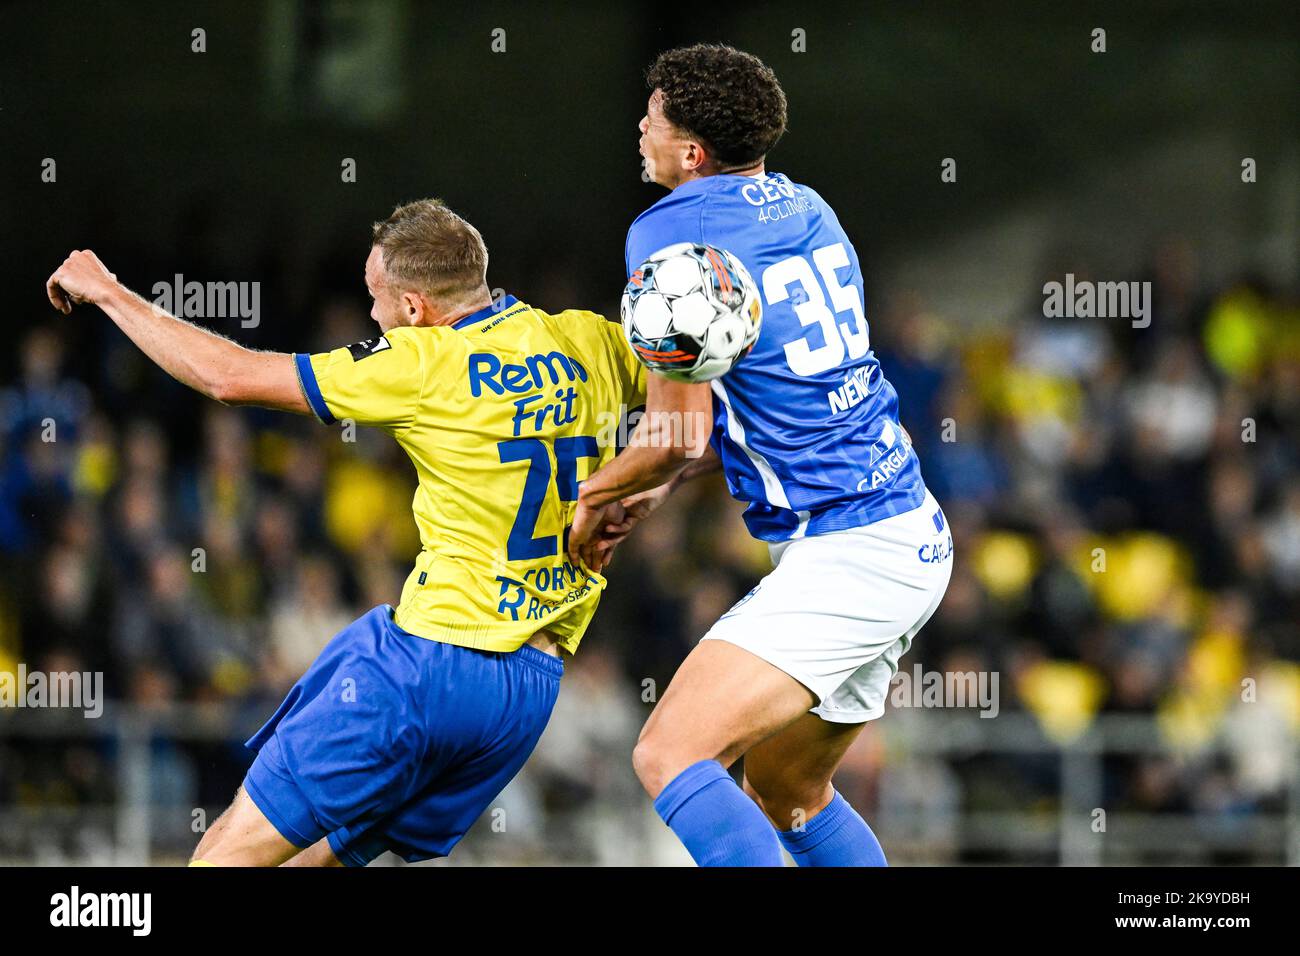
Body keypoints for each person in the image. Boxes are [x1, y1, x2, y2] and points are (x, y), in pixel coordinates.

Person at [47, 198, 646, 866]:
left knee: (224, 854)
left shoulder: (423, 361)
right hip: (527, 693)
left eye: (377, 299)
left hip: (433, 666)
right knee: (311, 862)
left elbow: (229, 377)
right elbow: (705, 395)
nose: (371, 317)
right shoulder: (589, 339)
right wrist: (645, 480)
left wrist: (109, 293)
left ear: (417, 308)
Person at [569, 44, 953, 866]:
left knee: (669, 753)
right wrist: (659, 486)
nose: (640, 124)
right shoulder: (810, 207)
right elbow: (768, 410)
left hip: (847, 551)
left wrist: (596, 492)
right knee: (787, 793)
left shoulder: (669, 233)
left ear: (691, 154)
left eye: (656, 116)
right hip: (908, 530)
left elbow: (672, 434)